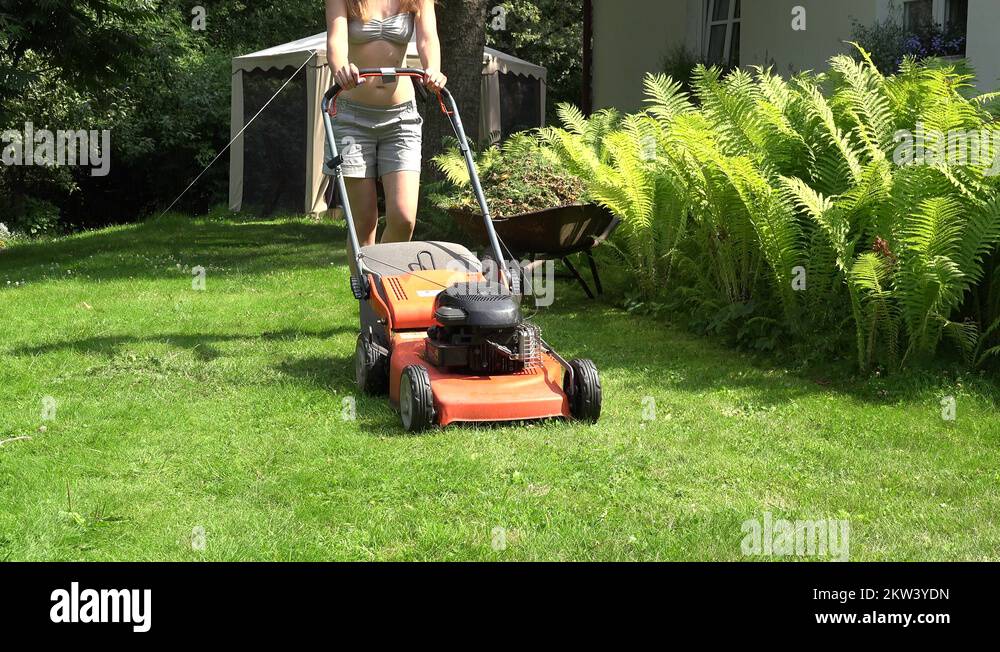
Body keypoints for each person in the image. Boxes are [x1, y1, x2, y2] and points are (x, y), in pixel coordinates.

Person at [324, 0, 447, 246]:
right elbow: (336, 41)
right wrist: (341, 70)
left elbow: (427, 38)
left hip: (401, 118)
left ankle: (384, 282)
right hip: (352, 118)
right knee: (364, 221)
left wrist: (433, 69)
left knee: (404, 219)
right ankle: (367, 284)